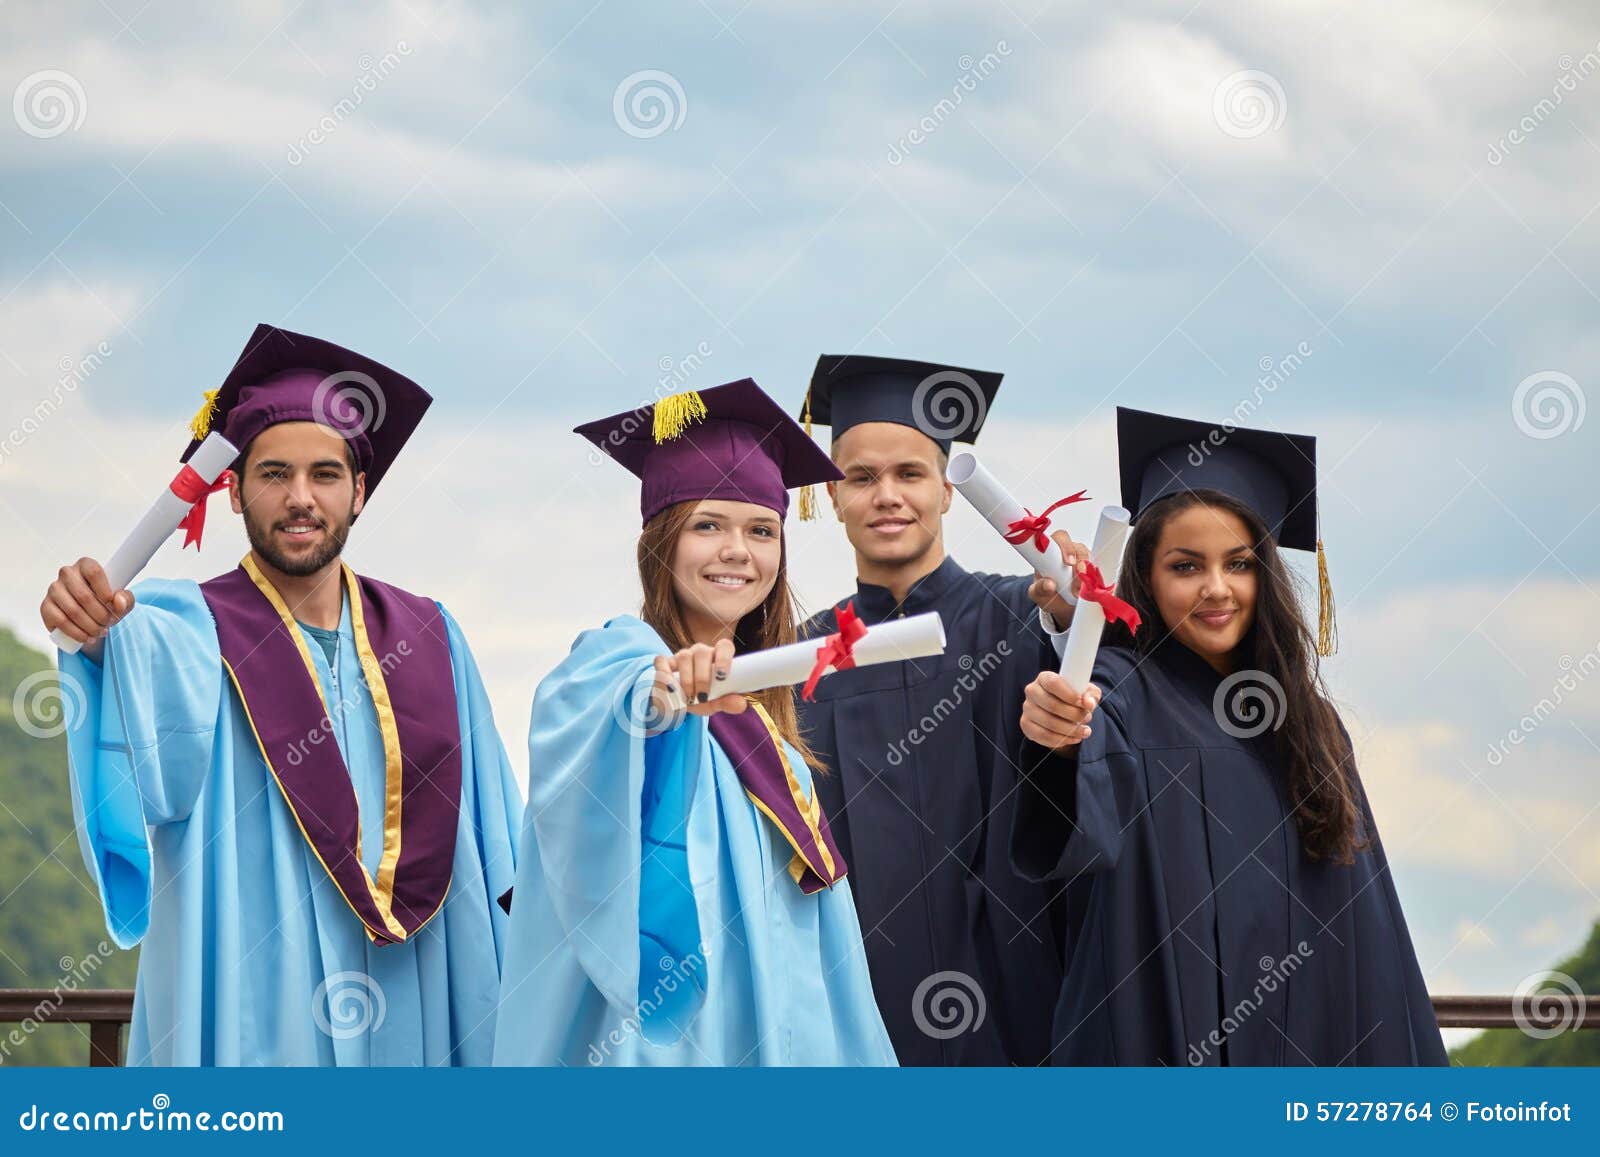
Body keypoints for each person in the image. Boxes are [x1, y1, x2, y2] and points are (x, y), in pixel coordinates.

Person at [42, 323, 521, 1065]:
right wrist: (96, 630)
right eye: (273, 474)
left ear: (360, 491)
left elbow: (502, 848)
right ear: (233, 492)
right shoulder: (192, 630)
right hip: (259, 1009)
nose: (301, 498)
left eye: (325, 474)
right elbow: (124, 644)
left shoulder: (432, 639)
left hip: (416, 995)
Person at [1012, 405, 1447, 1066]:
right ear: (1148, 579)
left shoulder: (1311, 726)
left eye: (1238, 563)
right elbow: (1080, 768)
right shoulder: (1122, 694)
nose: (1217, 588)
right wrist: (1062, 739)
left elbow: (1371, 940)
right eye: (1186, 566)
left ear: (1264, 574)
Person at [493, 379, 895, 1066]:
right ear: (661, 542)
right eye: (708, 525)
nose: (738, 549)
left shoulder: (771, 725)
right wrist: (661, 699)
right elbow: (607, 709)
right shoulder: (617, 658)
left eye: (761, 530)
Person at [793, 355, 1086, 1065]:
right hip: (855, 1014)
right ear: (833, 494)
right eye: (861, 477)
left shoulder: (1023, 617)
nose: (886, 495)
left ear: (949, 490)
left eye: (910, 474)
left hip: (1015, 1008)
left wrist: (1076, 624)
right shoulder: (800, 659)